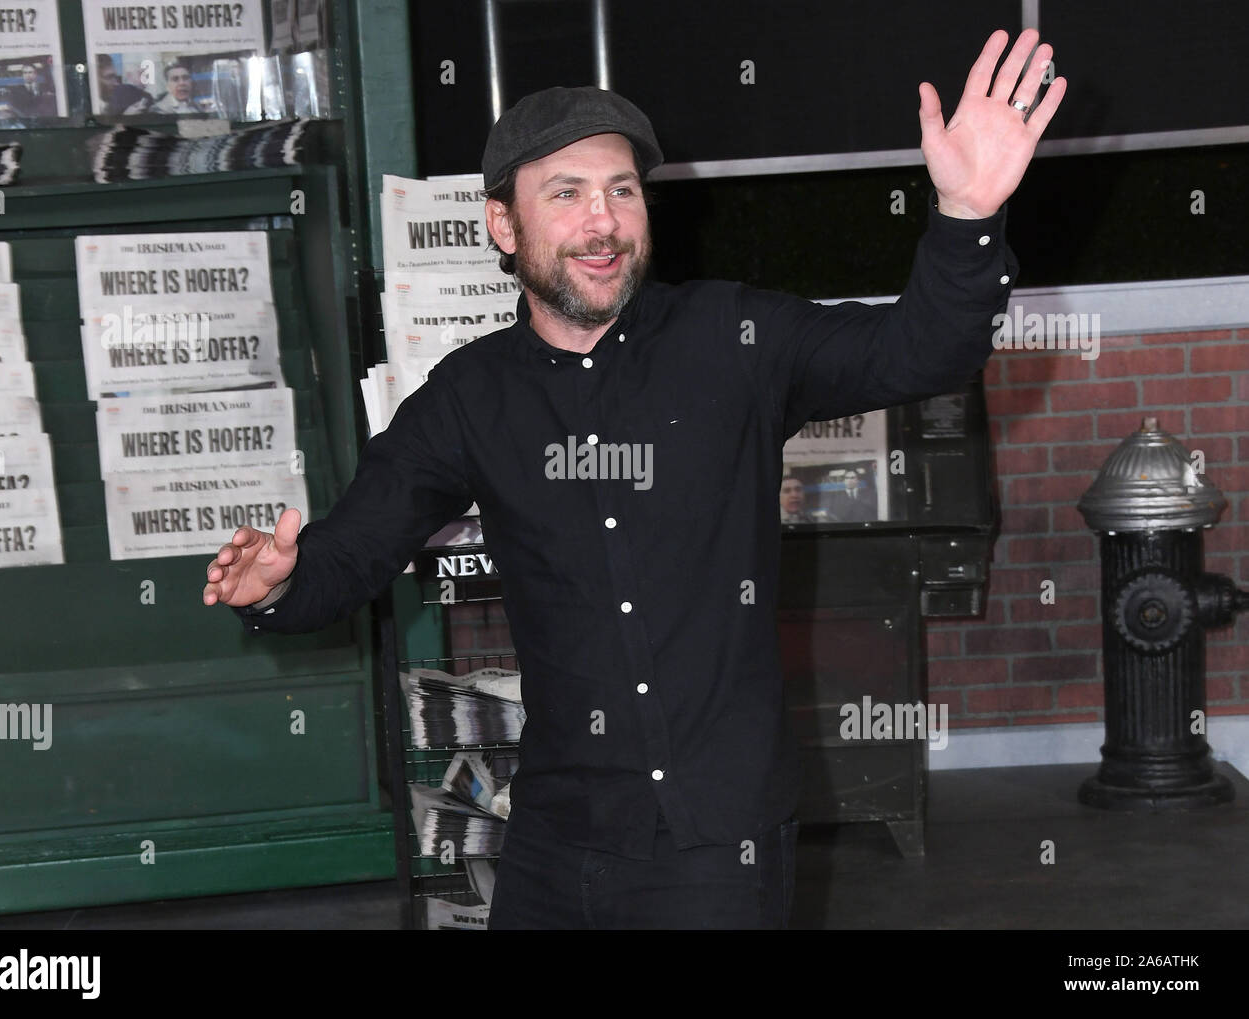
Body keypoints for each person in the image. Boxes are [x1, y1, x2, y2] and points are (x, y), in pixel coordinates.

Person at [203, 28, 1065, 929]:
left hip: (718, 844)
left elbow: (918, 352)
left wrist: (966, 216)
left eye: (622, 191)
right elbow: (354, 546)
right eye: (566, 194)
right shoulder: (470, 396)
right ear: (504, 223)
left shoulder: (735, 340)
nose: (603, 221)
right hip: (555, 835)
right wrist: (281, 581)